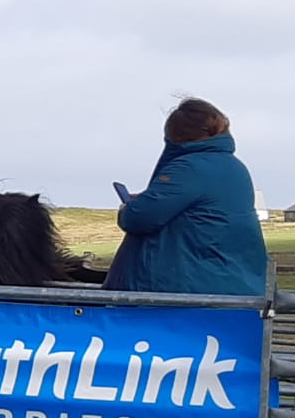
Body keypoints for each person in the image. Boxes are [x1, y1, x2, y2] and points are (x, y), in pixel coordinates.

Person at [104, 98, 268, 295]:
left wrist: (128, 208)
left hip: (183, 286)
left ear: (173, 135)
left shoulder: (188, 168)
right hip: (227, 283)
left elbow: (139, 218)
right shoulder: (234, 166)